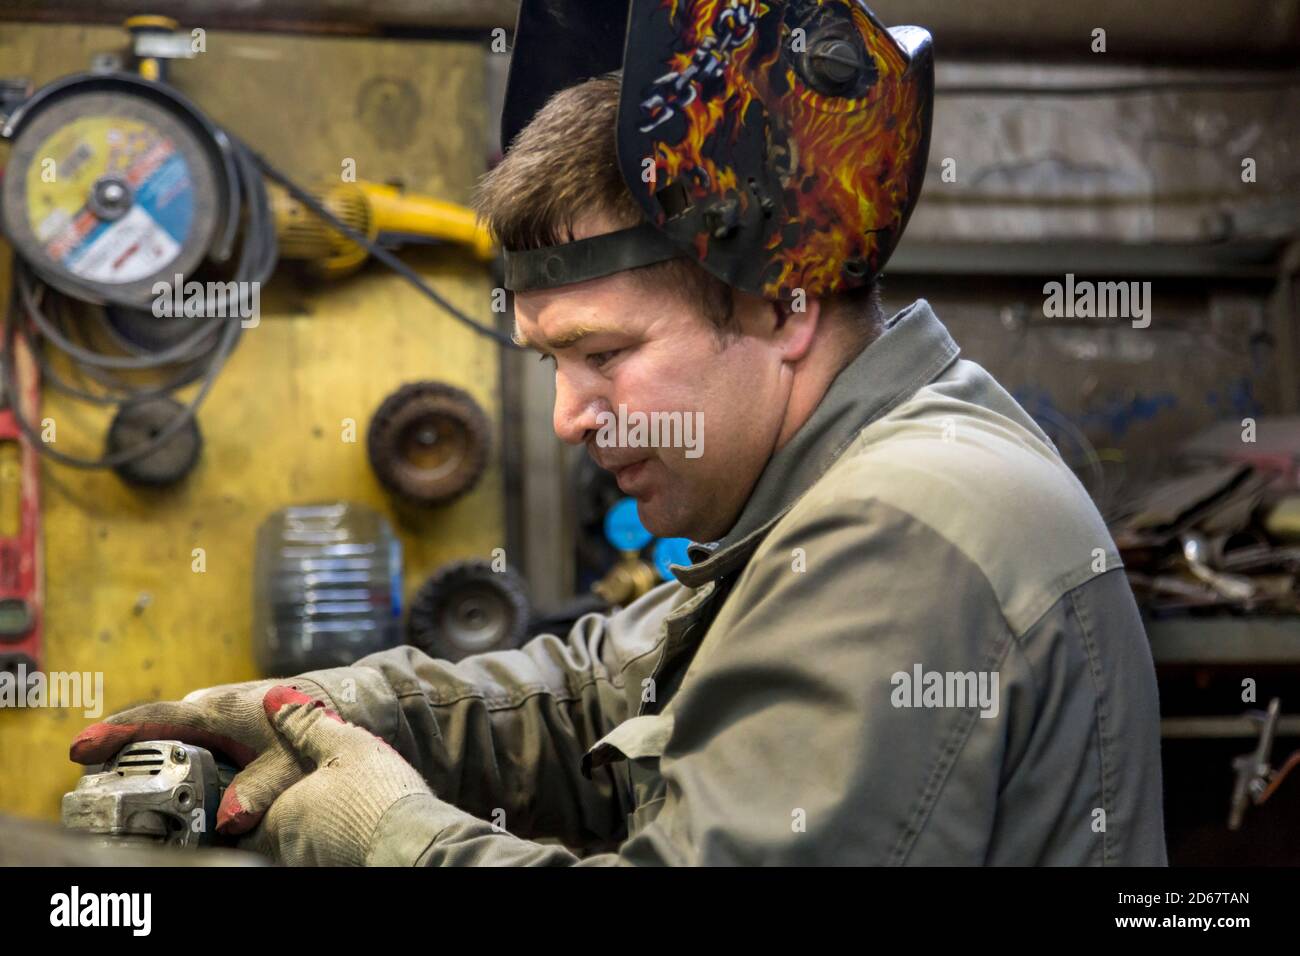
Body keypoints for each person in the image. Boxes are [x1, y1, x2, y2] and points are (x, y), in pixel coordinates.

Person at [70, 0, 1166, 866]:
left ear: (779, 303)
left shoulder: (906, 525)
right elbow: (603, 689)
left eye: (602, 355)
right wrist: (325, 713)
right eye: (551, 362)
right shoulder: (836, 488)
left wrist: (386, 830)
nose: (565, 415)